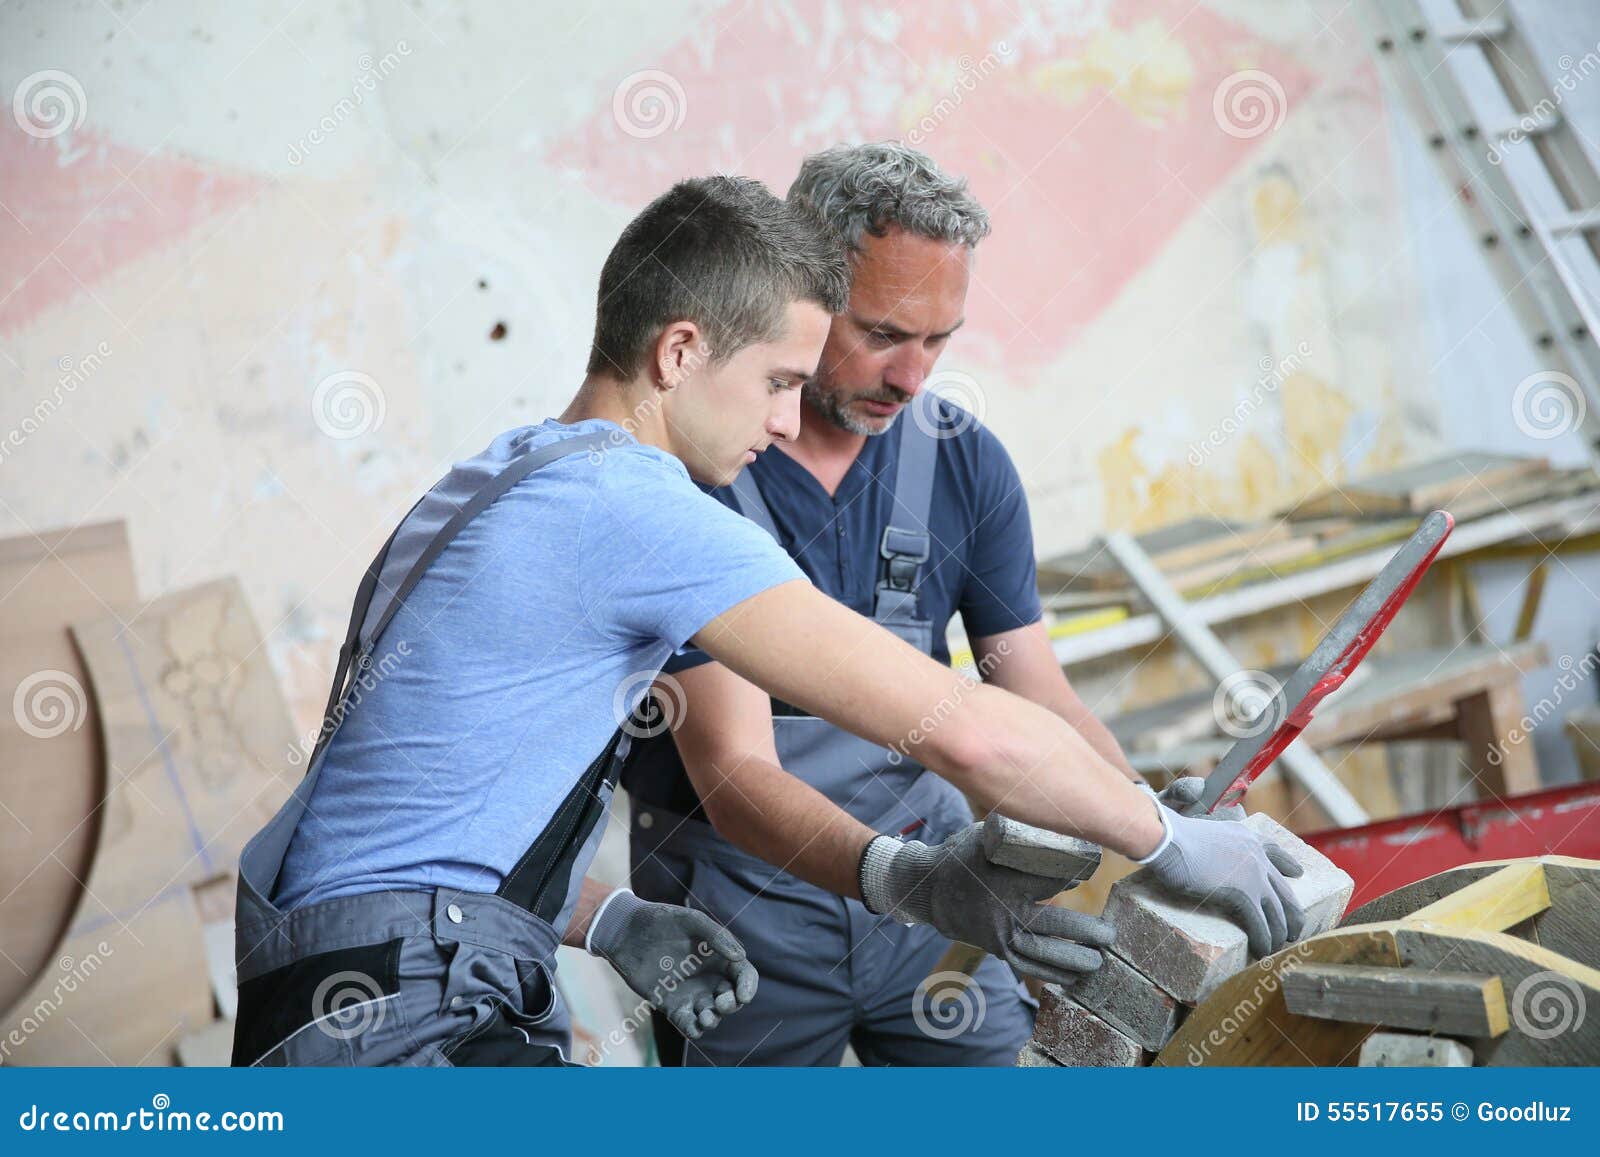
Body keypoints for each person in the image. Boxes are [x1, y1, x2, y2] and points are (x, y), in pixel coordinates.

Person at [232, 173, 1301, 1069]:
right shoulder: (641, 510)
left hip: (328, 997)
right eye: (777, 380)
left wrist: (605, 915)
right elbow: (964, 726)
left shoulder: (495, 477)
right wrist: (1166, 838)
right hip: (410, 1022)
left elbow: (418, 818)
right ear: (679, 352)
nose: (788, 418)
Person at [620, 143, 1267, 1066]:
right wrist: (900, 877)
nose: (912, 376)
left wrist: (1154, 822)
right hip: (742, 909)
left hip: (945, 899)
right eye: (883, 333)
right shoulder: (704, 473)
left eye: (940, 340)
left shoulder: (963, 462)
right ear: (803, 295)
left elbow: (1031, 686)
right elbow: (734, 775)